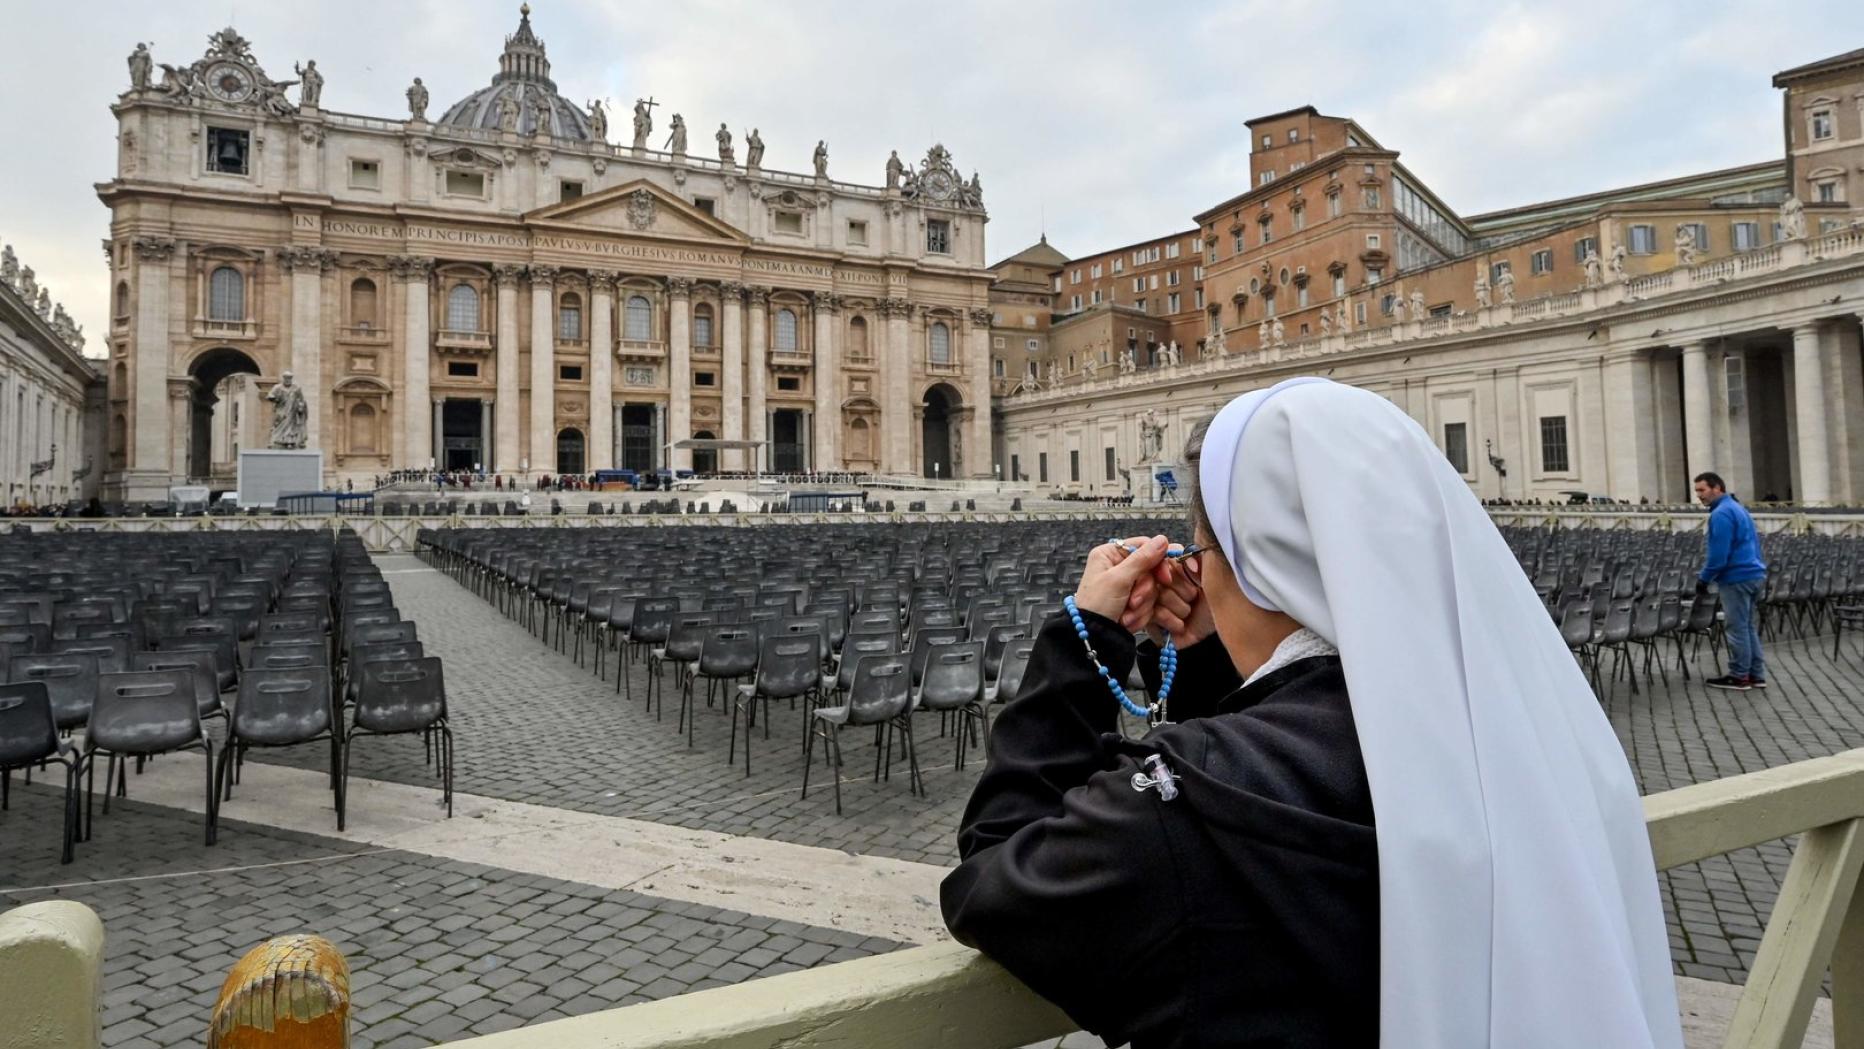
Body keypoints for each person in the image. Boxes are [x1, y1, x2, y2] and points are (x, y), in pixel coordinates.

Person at [942, 377, 1682, 1049]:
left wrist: (1083, 636)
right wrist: (1210, 658)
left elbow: (993, 875)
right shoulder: (1533, 741)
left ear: (1248, 559)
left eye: (1206, 550)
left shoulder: (1181, 811)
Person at [1694, 471, 1768, 690]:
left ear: (1717, 488)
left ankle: (1739, 675)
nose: (1699, 495)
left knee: (1736, 627)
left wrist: (1704, 578)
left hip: (1736, 577)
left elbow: (1719, 554)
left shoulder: (1721, 514)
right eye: (1697, 490)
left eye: (1702, 490)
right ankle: (1756, 674)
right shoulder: (1738, 508)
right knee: (1747, 626)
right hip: (1754, 574)